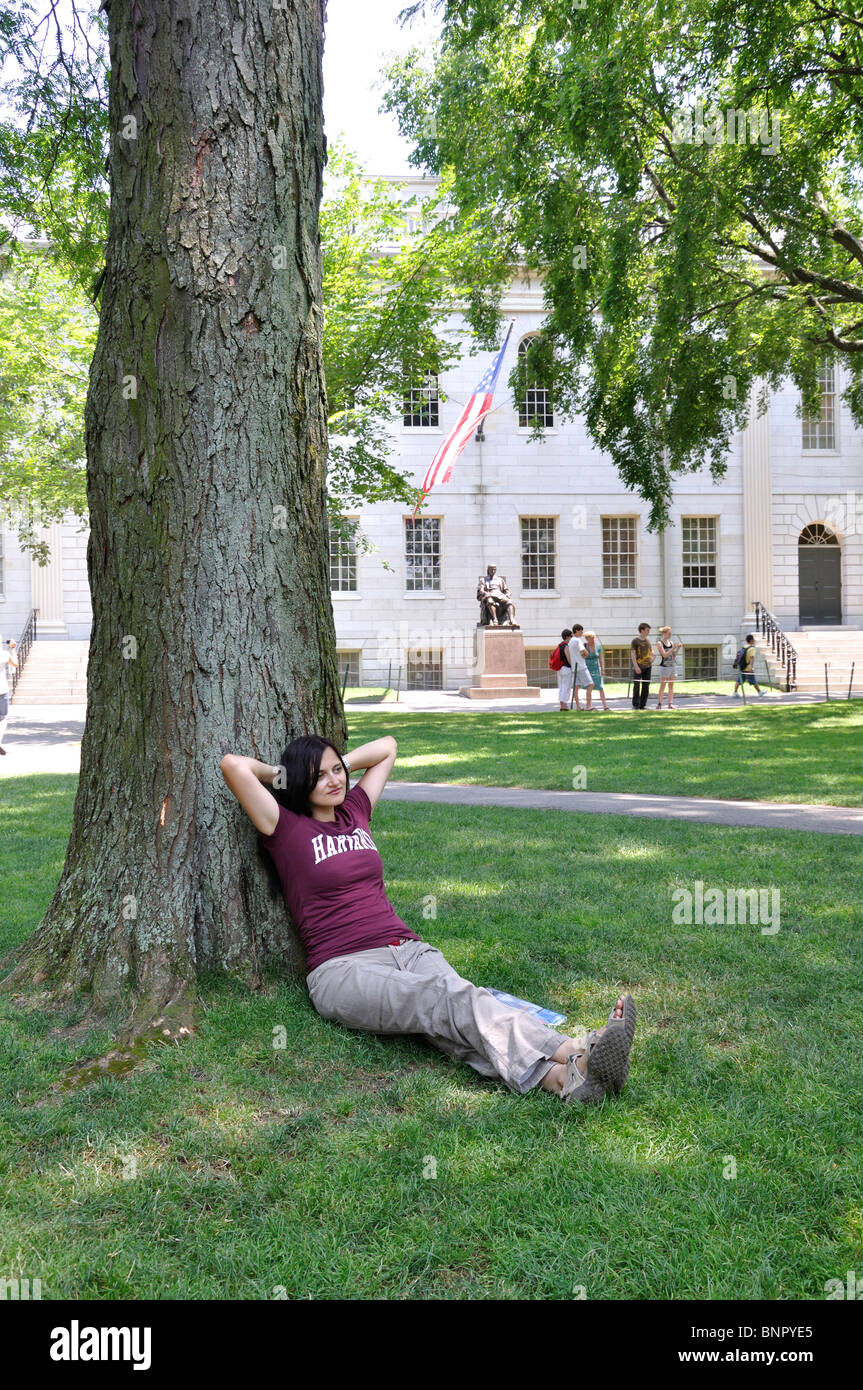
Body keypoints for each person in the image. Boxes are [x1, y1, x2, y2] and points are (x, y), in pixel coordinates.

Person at [220, 735, 636, 1104]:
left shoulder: (355, 811)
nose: (335, 780)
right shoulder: (285, 827)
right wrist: (288, 775)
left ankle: (566, 1082)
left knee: (454, 1016)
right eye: (320, 776)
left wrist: (336, 763)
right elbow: (233, 766)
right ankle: (579, 1049)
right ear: (299, 784)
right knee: (449, 1000)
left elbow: (387, 748)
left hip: (408, 948)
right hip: (343, 968)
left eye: (338, 770)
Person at [567, 624, 595, 710]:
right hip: (581, 666)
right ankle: (588, 706)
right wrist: (585, 655)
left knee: (576, 687)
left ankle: (578, 707)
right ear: (577, 630)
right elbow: (585, 652)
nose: (582, 632)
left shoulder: (570, 641)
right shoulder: (578, 640)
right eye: (581, 631)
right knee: (590, 685)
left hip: (574, 667)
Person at [655, 627, 682, 709]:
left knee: (671, 685)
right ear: (664, 633)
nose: (670, 635)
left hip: (672, 666)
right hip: (664, 667)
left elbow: (673, 655)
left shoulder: (671, 642)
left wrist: (678, 648)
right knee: (663, 685)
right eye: (669, 633)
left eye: (671, 633)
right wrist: (673, 648)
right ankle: (659, 704)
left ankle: (670, 704)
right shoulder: (660, 643)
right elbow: (664, 655)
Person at [583, 631, 610, 711]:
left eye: (594, 638)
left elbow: (601, 659)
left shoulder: (598, 646)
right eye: (591, 638)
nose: (593, 639)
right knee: (589, 688)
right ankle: (589, 706)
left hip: (596, 669)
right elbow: (581, 658)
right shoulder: (584, 646)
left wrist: (603, 669)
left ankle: (605, 706)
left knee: (600, 687)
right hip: (587, 669)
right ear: (587, 639)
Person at [0, 635, 18, 755]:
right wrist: (12, 649)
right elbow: (15, 664)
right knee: (3, 718)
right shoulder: (4, 654)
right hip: (2, 690)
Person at [630, 622, 654, 710]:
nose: (648, 632)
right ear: (642, 630)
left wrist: (652, 658)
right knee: (636, 685)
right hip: (638, 666)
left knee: (646, 685)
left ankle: (643, 704)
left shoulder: (648, 641)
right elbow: (632, 654)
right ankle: (636, 704)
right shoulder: (635, 641)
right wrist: (636, 666)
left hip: (648, 666)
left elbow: (652, 652)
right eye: (647, 630)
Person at [555, 628, 573, 711]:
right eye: (571, 636)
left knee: (562, 686)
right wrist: (572, 666)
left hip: (561, 668)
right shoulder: (566, 646)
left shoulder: (560, 645)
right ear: (567, 637)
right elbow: (569, 659)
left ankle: (562, 704)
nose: (571, 638)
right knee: (566, 687)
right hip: (566, 668)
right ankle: (564, 705)